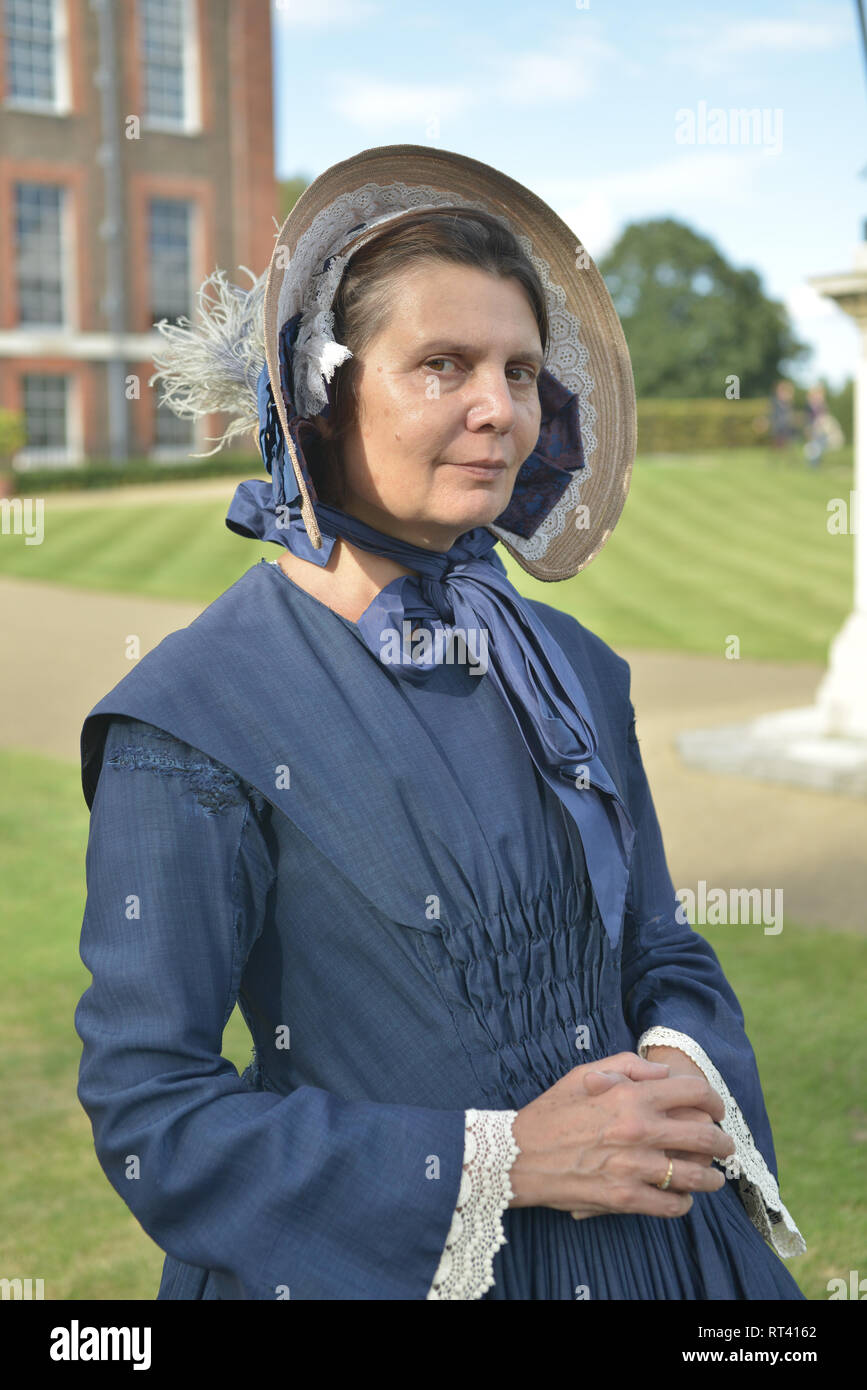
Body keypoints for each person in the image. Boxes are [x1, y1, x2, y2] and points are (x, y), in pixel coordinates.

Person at [74, 144, 806, 1300]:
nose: (497, 410)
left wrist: (673, 1063)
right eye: (443, 364)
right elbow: (150, 1109)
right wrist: (507, 1160)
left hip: (666, 1258)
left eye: (520, 372)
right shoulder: (192, 716)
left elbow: (658, 944)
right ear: (320, 396)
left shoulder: (569, 666)